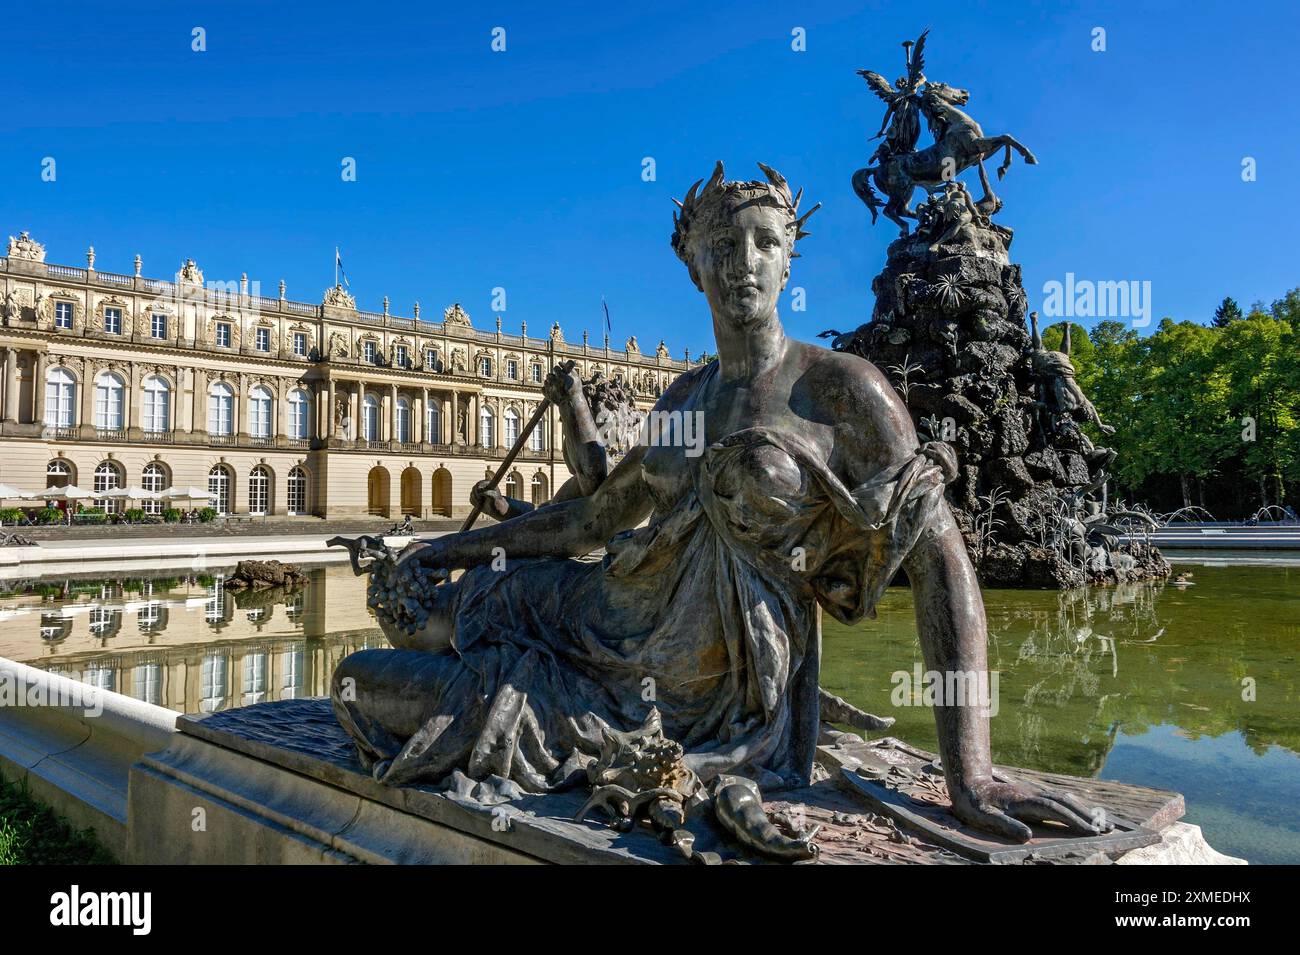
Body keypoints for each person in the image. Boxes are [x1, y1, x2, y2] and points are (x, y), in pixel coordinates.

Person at [332, 162, 1105, 841]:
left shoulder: (841, 389)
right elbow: (589, 519)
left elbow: (941, 565)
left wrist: (969, 772)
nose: (745, 262)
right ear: (693, 263)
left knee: (363, 682)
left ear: (790, 261)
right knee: (402, 643)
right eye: (724, 245)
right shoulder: (683, 402)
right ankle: (461, 626)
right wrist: (443, 548)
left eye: (766, 243)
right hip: (581, 616)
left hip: (677, 707)